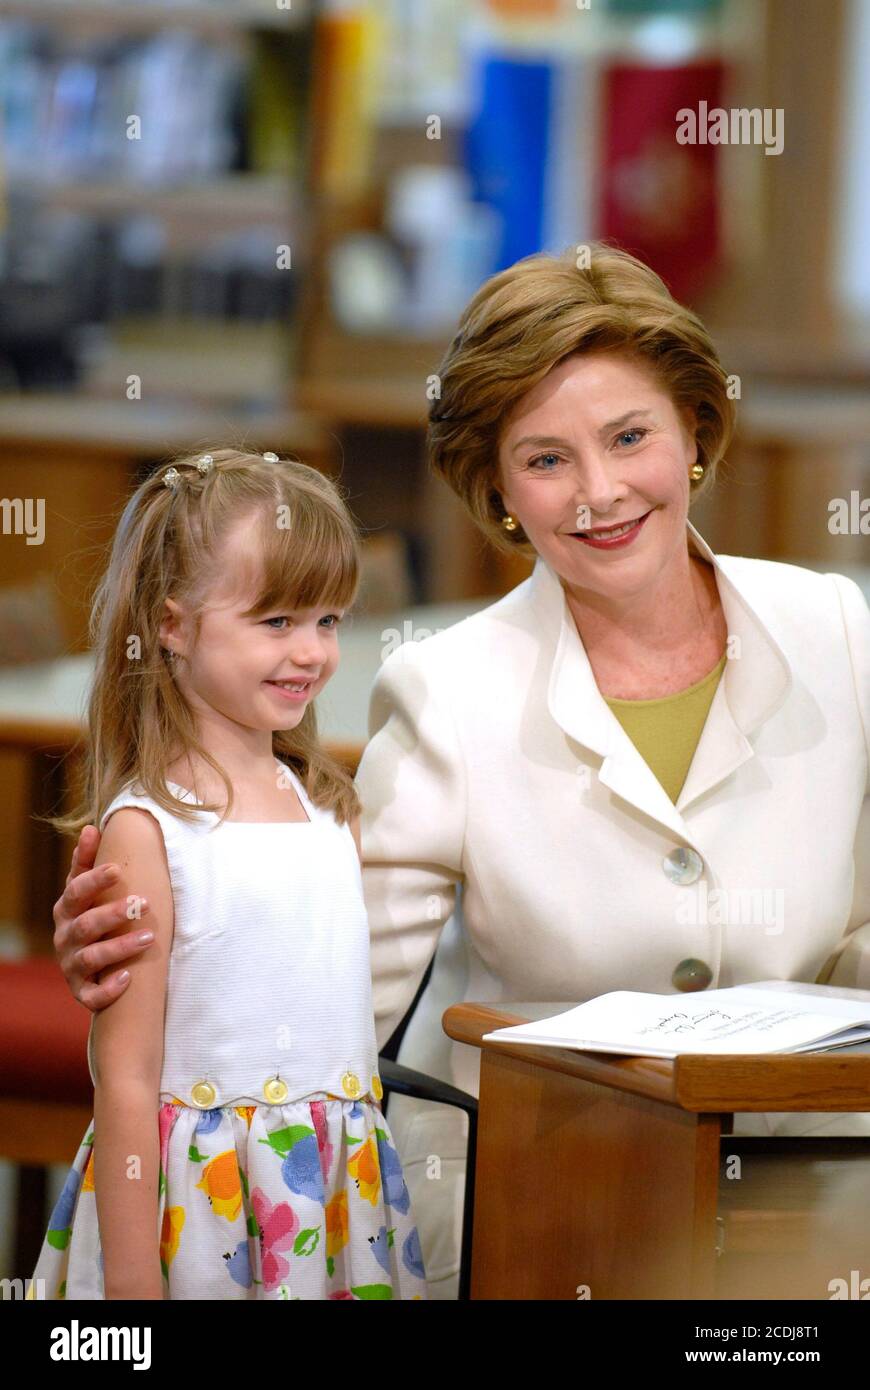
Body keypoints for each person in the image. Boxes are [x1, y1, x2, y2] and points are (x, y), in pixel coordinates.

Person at [51, 245, 869, 1301]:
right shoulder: (447, 689)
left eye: (631, 437)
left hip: (822, 1189)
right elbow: (323, 975)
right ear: (496, 489)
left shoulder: (837, 630)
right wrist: (151, 959)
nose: (601, 492)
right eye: (547, 460)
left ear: (695, 434)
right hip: (554, 1195)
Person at [30, 449, 428, 1301]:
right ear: (171, 625)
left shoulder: (324, 803)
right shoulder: (152, 830)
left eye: (328, 620)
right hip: (197, 1223)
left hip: (331, 1198)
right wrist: (135, 1292)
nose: (313, 652)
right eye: (277, 621)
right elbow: (127, 1079)